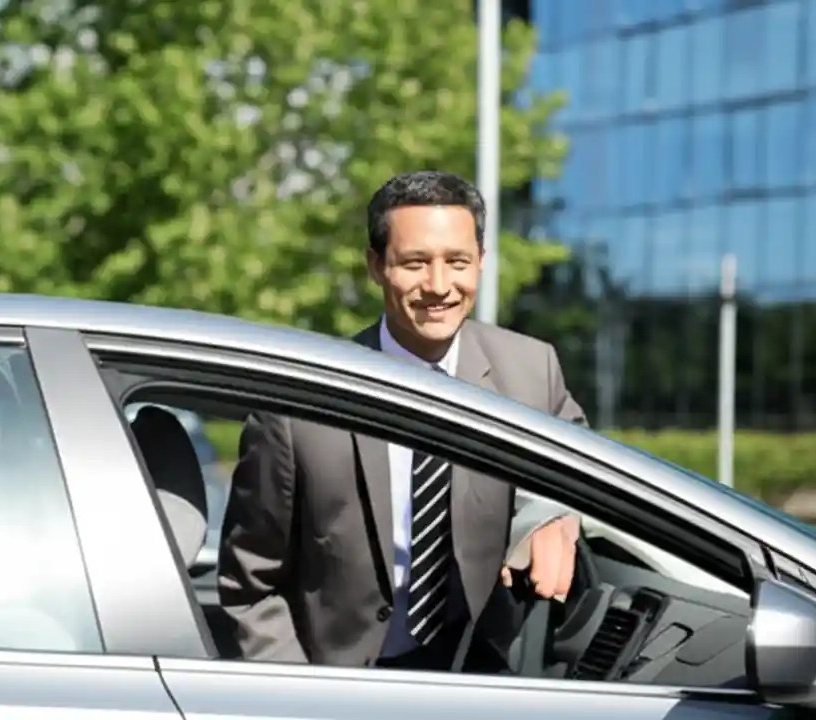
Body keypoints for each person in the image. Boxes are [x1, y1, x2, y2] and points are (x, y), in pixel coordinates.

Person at [217, 170, 587, 673]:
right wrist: (297, 699)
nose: (439, 286)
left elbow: (584, 469)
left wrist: (553, 517)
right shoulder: (298, 404)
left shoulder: (530, 371)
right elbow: (251, 582)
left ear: (481, 261)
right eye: (414, 263)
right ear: (376, 266)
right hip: (342, 693)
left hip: (486, 685)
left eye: (457, 262)